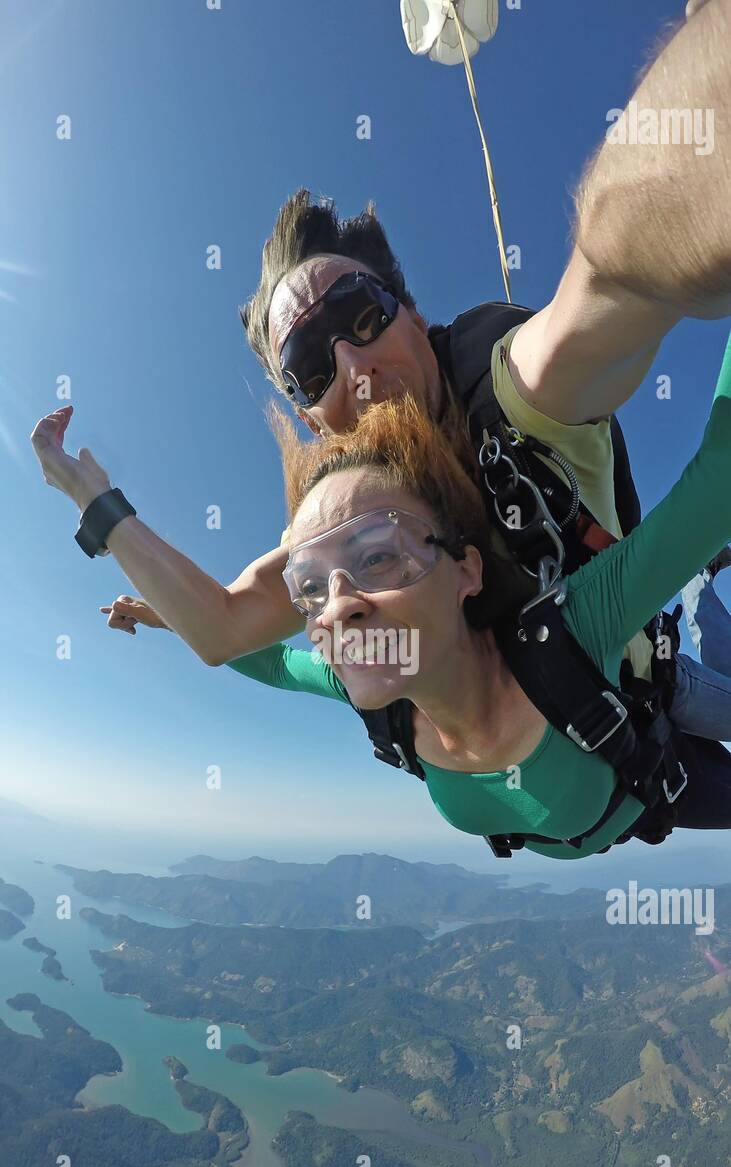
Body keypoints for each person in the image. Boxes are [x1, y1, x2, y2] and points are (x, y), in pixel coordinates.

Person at [88, 2, 731, 696]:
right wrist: (89, 496)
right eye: (310, 369)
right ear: (310, 421)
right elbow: (221, 624)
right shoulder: (339, 540)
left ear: (415, 317)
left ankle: (707, 592)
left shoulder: (514, 394)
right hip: (567, 770)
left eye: (362, 316)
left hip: (651, 691)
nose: (355, 369)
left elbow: (615, 270)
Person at [208, 333, 731, 862]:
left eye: (377, 558)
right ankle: (699, 588)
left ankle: (697, 586)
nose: (339, 607)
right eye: (311, 587)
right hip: (654, 788)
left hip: (658, 701)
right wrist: (178, 615)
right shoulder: (380, 690)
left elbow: (719, 479)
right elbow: (262, 659)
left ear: (467, 570)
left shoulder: (575, 627)